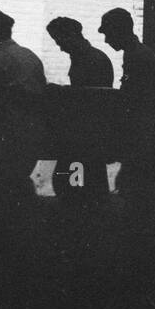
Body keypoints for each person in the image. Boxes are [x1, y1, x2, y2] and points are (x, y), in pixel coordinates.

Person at [98, 7, 155, 218]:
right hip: (149, 129)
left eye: (108, 34)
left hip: (147, 130)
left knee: (136, 187)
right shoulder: (135, 53)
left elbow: (138, 101)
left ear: (119, 31)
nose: (106, 40)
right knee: (136, 184)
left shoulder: (138, 57)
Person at [0, 9, 47, 208]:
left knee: (2, 193)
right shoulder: (30, 56)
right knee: (15, 183)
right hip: (34, 133)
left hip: (11, 135)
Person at [46, 16, 114, 203]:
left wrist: (58, 91)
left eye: (60, 41)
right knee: (87, 183)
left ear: (71, 36)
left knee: (73, 185)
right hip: (88, 135)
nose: (60, 47)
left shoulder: (90, 60)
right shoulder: (91, 57)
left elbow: (86, 97)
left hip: (84, 135)